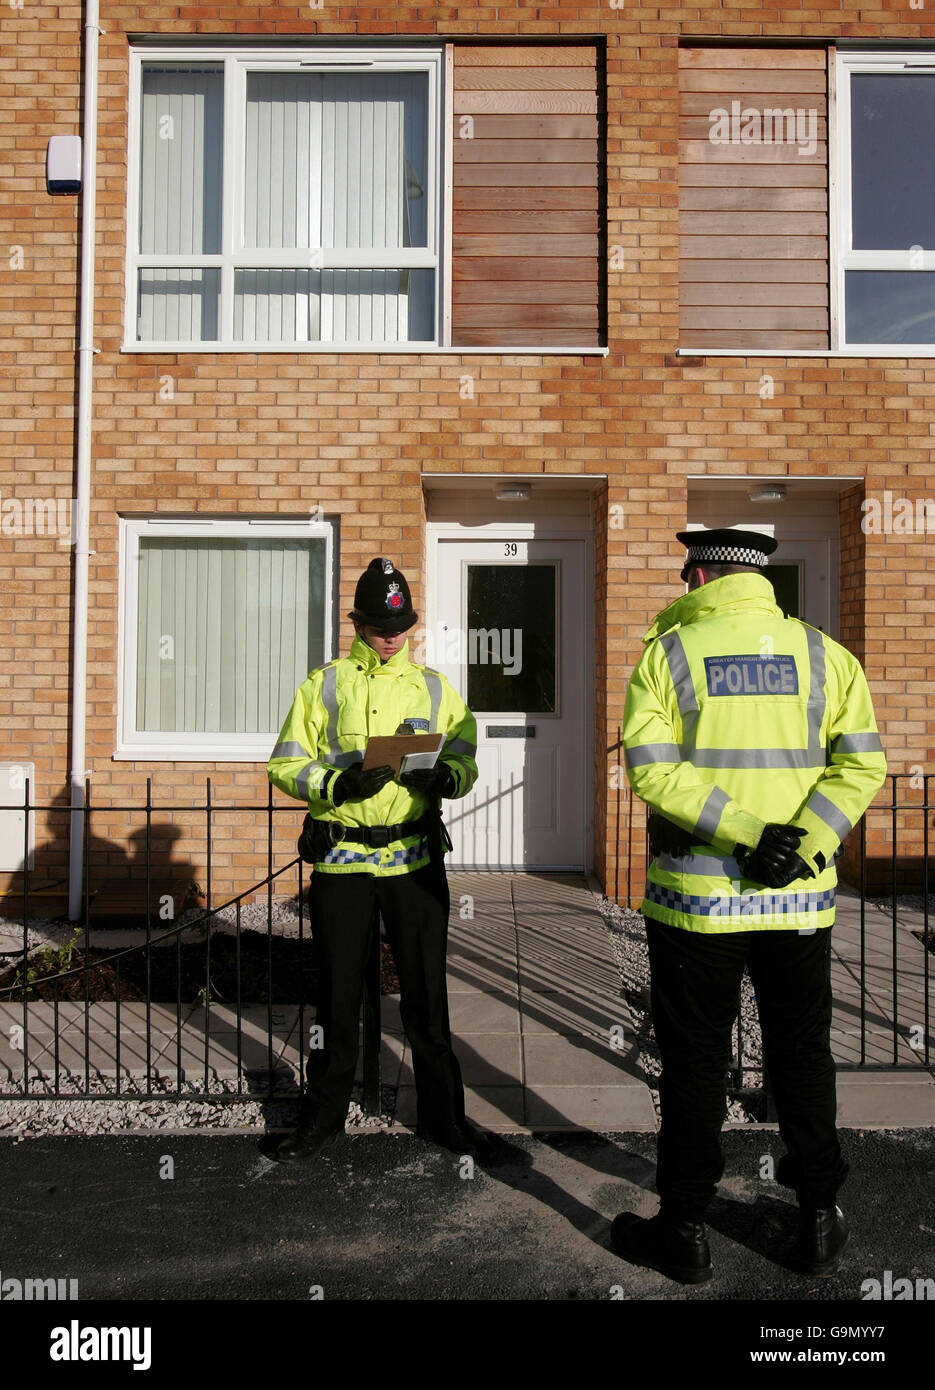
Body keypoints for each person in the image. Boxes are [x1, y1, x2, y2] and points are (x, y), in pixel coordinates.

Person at [612, 527, 886, 1284]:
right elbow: (861, 764)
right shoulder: (826, 656)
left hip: (697, 906)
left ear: (699, 573)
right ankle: (816, 1220)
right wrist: (799, 841)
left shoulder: (667, 654)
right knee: (800, 1057)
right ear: (760, 577)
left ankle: (685, 1228)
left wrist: (744, 833)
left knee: (694, 1064)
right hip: (797, 901)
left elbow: (651, 771)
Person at [267, 557, 479, 1162]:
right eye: (380, 624)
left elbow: (466, 759)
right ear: (357, 623)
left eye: (403, 623)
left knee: (426, 1000)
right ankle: (324, 1119)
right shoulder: (324, 683)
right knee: (337, 999)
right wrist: (336, 787)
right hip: (343, 865)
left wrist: (449, 776)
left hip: (414, 862)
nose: (392, 635)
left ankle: (445, 1120)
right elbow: (283, 761)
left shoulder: (437, 688)